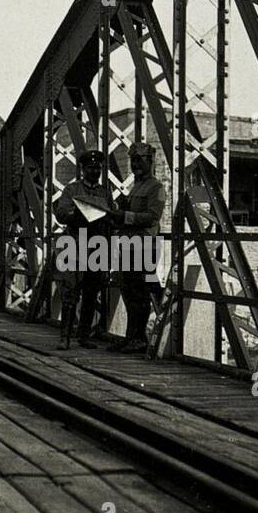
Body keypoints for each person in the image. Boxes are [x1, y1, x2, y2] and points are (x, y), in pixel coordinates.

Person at [106, 140, 166, 354]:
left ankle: (138, 339)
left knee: (139, 293)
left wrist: (125, 215)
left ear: (150, 162)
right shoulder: (137, 186)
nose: (136, 164)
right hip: (129, 245)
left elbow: (152, 217)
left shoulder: (156, 187)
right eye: (133, 160)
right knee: (128, 290)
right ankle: (132, 337)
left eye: (140, 160)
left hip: (145, 245)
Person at [52, 149, 112, 350]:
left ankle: (84, 336)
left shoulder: (105, 191)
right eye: (91, 168)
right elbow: (60, 214)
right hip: (76, 243)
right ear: (83, 169)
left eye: (98, 168)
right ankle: (65, 337)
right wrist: (75, 213)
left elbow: (110, 217)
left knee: (91, 291)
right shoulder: (72, 189)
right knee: (71, 291)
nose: (95, 171)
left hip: (97, 245)